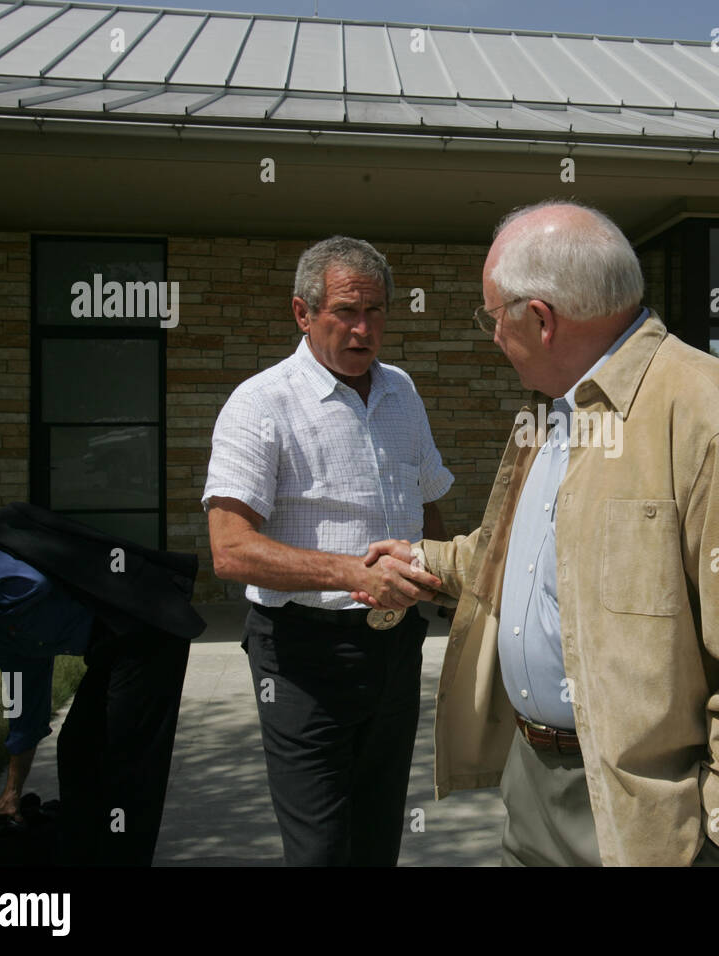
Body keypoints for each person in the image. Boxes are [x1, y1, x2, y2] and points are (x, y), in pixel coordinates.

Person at [361, 200, 719, 866]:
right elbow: (522, 560)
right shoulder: (552, 412)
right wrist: (425, 560)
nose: (491, 335)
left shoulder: (715, 414)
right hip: (531, 782)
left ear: (541, 319)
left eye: (492, 315)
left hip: (651, 817)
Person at [202, 236, 450, 866]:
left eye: (376, 313)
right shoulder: (261, 404)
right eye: (345, 311)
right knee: (319, 850)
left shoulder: (401, 391)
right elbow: (230, 551)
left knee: (377, 837)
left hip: (394, 645)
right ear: (302, 313)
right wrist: (349, 571)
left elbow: (429, 503)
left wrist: (442, 569)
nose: (363, 329)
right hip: (303, 656)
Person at [0, 501, 204, 865]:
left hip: (146, 625)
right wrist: (12, 791)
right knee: (78, 747)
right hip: (113, 644)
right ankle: (82, 852)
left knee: (127, 755)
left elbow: (28, 583)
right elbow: (26, 707)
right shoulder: (4, 630)